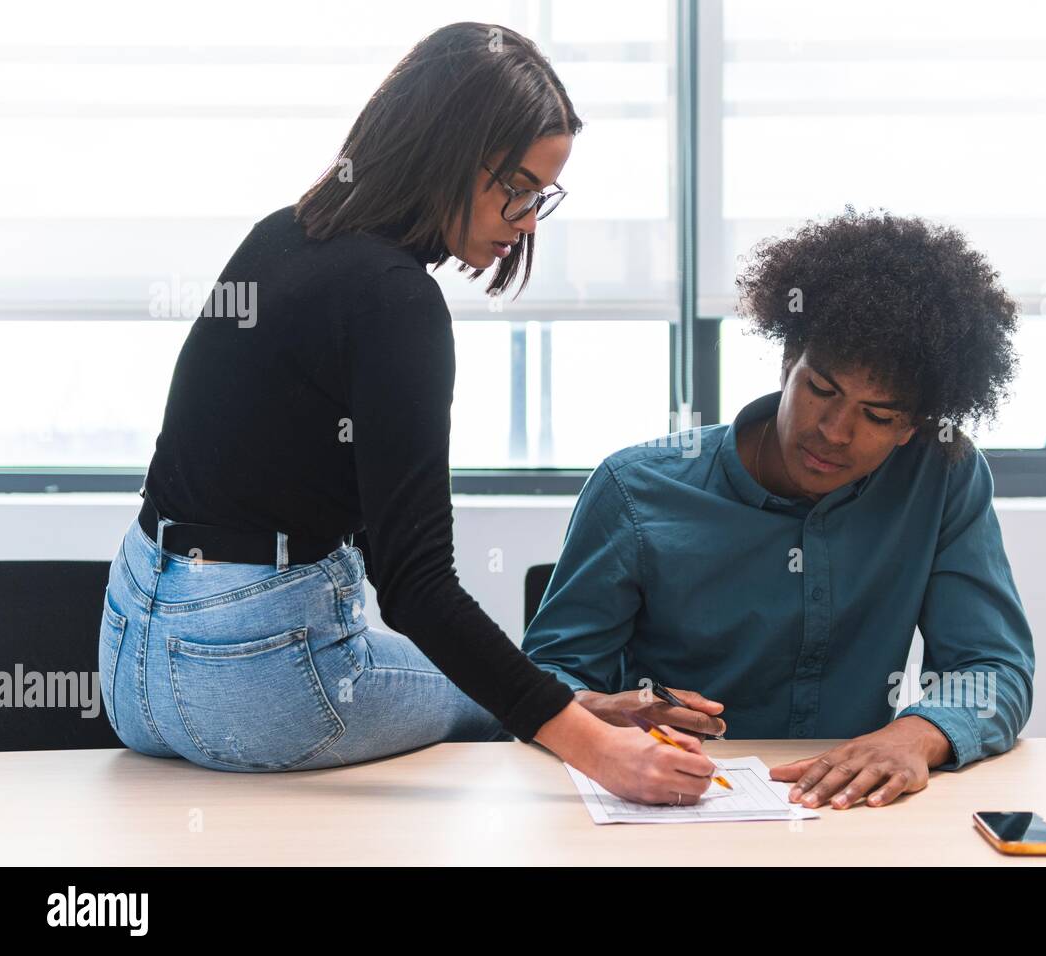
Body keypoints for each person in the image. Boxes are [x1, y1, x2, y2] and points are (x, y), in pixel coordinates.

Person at [98, 22, 718, 806]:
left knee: (494, 692)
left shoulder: (279, 234)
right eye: (518, 187)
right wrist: (599, 752)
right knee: (489, 712)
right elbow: (417, 586)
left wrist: (557, 705)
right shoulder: (398, 302)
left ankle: (567, 706)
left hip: (130, 659)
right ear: (450, 149)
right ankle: (573, 714)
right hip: (254, 687)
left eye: (542, 197)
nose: (528, 220)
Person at [523, 209, 1035, 810]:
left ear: (913, 426)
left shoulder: (943, 477)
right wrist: (602, 710)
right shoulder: (636, 488)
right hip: (670, 808)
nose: (835, 431)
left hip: (848, 815)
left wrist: (916, 735)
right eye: (821, 389)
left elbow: (992, 668)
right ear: (789, 361)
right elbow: (545, 677)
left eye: (878, 416)